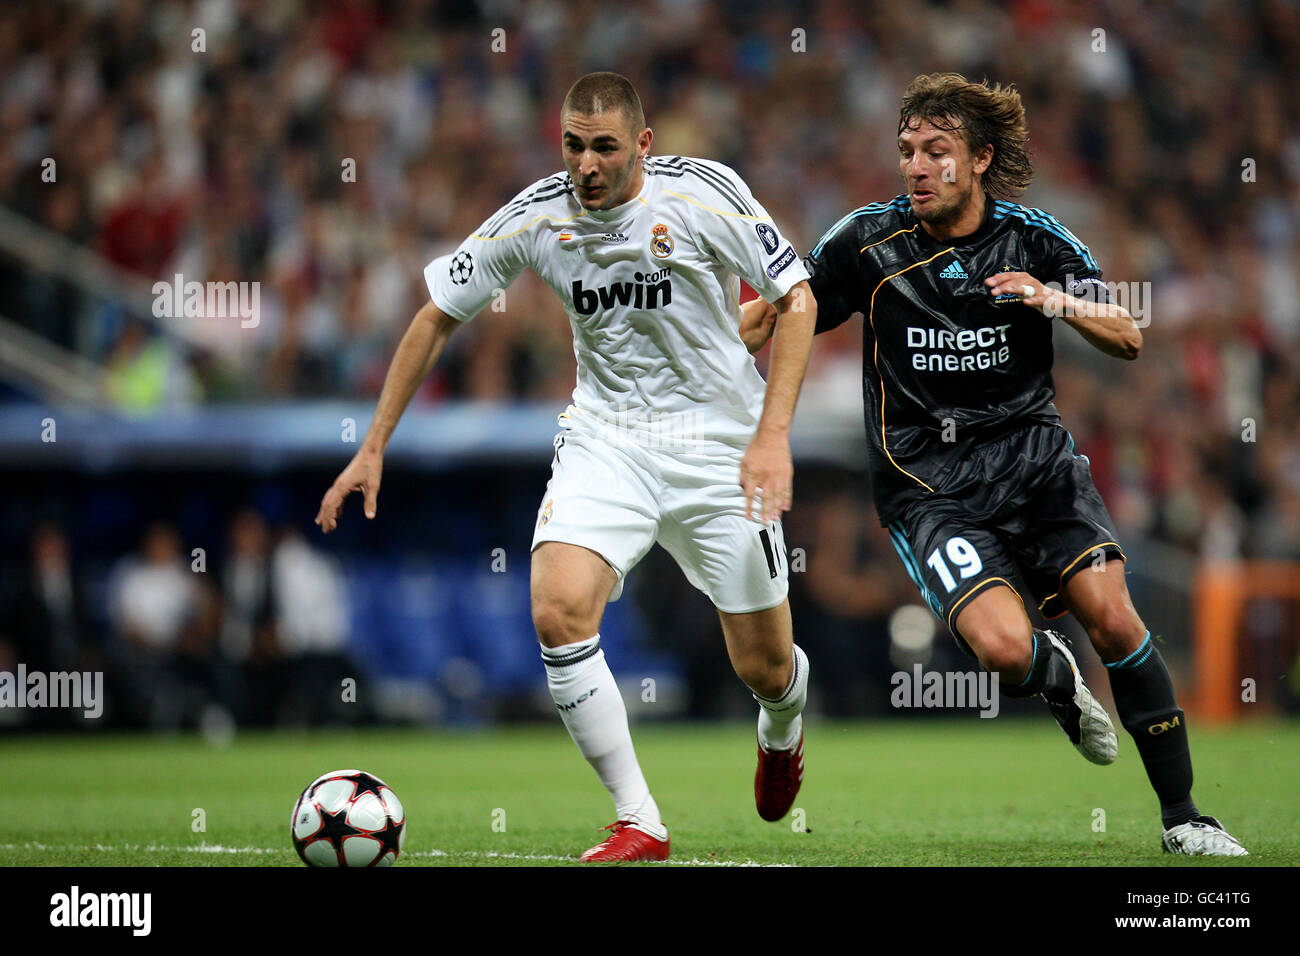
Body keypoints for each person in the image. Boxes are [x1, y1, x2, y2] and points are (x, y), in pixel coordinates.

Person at [317, 72, 818, 862]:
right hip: (606, 438)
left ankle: (783, 726)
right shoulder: (537, 215)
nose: (586, 165)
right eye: (574, 146)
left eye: (605, 148)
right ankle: (639, 821)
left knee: (764, 665)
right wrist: (373, 444)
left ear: (643, 145)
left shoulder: (703, 195)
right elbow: (435, 316)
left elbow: (799, 299)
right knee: (557, 608)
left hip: (719, 443)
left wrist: (772, 435)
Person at [742, 72, 1245, 856]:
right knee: (1005, 650)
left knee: (1114, 618)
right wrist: (711, 332)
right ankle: (1051, 676)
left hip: (1037, 467)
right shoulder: (866, 242)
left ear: (978, 159)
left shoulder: (1037, 239)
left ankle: (1185, 818)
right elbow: (787, 308)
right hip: (927, 487)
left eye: (935, 151)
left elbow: (1128, 333)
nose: (915, 166)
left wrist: (1055, 301)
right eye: (906, 150)